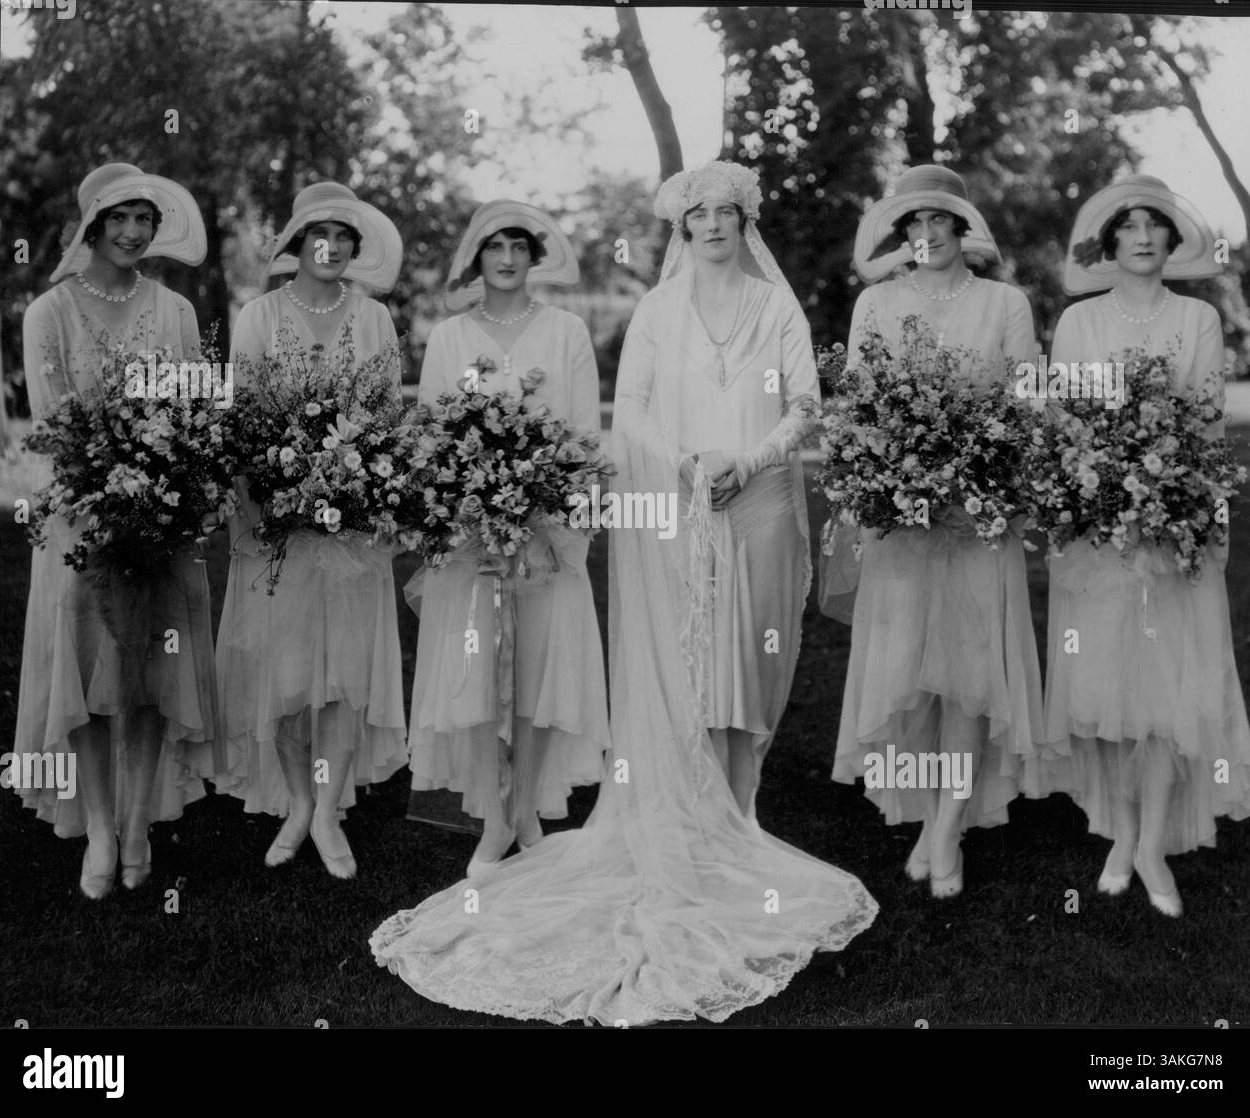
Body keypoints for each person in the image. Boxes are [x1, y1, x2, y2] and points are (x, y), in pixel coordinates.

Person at [371, 163, 876, 1025]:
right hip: (672, 505)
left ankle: (740, 819)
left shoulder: (775, 305)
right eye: (698, 213)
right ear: (680, 226)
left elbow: (806, 404)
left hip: (757, 505)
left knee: (753, 656)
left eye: (727, 211)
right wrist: (683, 463)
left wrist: (747, 462)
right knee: (681, 654)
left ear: (745, 220)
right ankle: (683, 813)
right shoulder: (656, 309)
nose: (712, 224)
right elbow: (630, 408)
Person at [1042, 175, 1250, 916]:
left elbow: (1203, 420)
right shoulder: (1077, 323)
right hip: (1096, 529)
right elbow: (1064, 418)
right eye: (1127, 227)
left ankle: (1151, 847)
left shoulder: (1197, 317)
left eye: (1153, 226)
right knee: (1102, 682)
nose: (1141, 237)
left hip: (1176, 520)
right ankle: (1122, 830)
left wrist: (1172, 501)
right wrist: (1100, 487)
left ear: (1171, 241)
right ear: (1111, 244)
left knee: (1171, 684)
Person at [828, 165, 1043, 898]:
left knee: (969, 674)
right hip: (903, 520)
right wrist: (896, 482)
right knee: (913, 672)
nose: (925, 236)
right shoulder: (876, 303)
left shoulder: (1003, 302)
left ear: (962, 229)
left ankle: (947, 826)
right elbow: (858, 405)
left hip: (979, 516)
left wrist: (982, 483)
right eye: (913, 225)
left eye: (939, 222)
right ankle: (927, 808)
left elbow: (1026, 403)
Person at [15, 162, 217, 898]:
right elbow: (55, 425)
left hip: (160, 521)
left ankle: (138, 824)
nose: (133, 232)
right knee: (86, 676)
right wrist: (108, 493)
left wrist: (166, 490)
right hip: (82, 518)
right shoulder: (49, 312)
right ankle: (99, 827)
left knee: (153, 676)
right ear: (92, 225)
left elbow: (194, 418)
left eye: (145, 220)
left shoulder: (175, 312)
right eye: (120, 218)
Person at [404, 200, 609, 880]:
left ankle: (526, 810)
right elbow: (435, 438)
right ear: (476, 255)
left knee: (540, 670)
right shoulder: (450, 337)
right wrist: (476, 511)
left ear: (536, 257)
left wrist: (548, 512)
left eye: (522, 245)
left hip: (545, 532)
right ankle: (493, 818)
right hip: (475, 540)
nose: (509, 257)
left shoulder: (567, 331)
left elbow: (581, 432)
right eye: (496, 244)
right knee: (483, 672)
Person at [215, 183, 407, 879]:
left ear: (355, 247)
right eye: (317, 233)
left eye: (344, 235)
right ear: (297, 243)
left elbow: (385, 423)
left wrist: (365, 488)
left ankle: (329, 810)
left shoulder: (376, 320)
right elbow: (240, 425)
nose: (330, 247)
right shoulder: (260, 315)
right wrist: (251, 510)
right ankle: (297, 802)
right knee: (289, 674)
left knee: (345, 675)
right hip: (280, 525)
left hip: (351, 526)